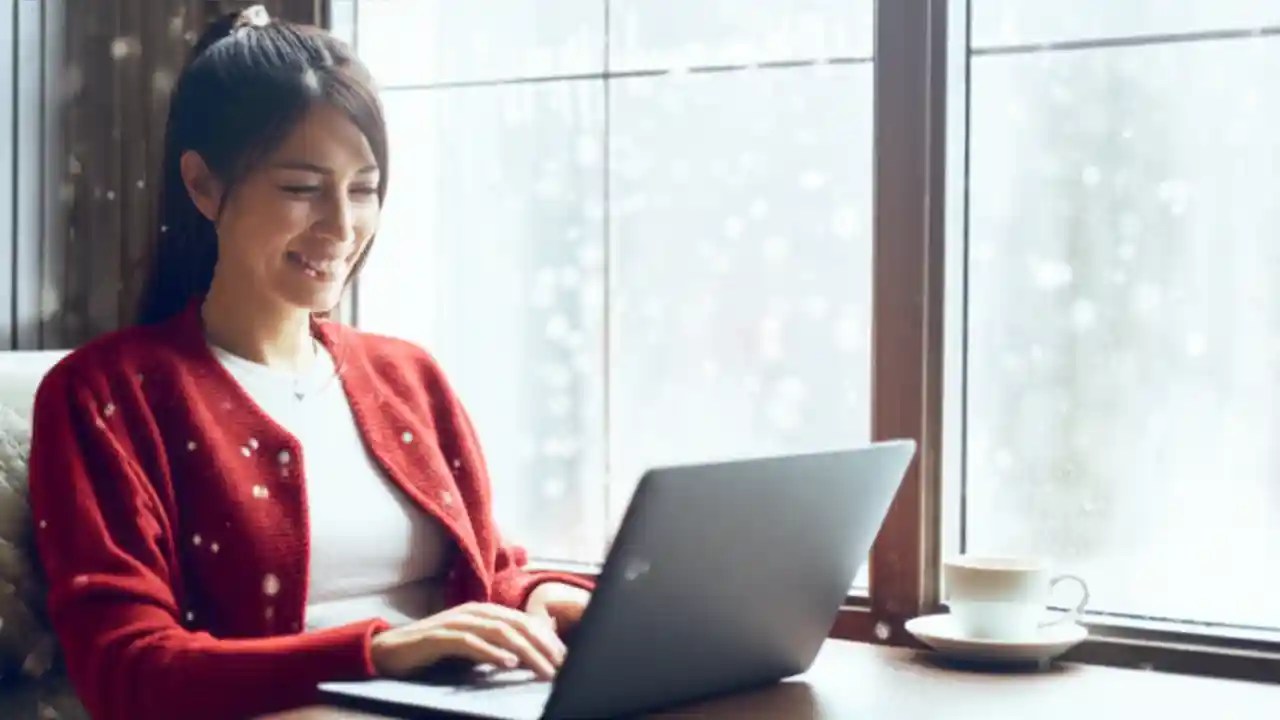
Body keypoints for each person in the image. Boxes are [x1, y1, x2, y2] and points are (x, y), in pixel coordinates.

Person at [27, 7, 592, 720]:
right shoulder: (104, 396)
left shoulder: (407, 376)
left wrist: (540, 598)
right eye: (301, 188)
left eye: (363, 189)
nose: (342, 226)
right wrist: (379, 650)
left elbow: (489, 571)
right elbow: (127, 671)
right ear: (203, 187)